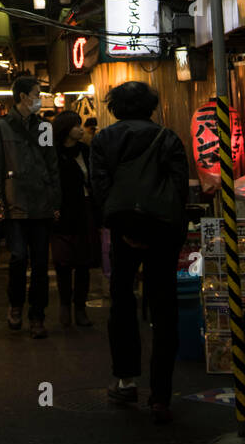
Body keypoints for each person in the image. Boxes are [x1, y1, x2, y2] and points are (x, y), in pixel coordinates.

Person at [89, 81, 190, 425]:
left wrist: (123, 231)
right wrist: (165, 233)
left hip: (123, 233)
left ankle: (126, 380)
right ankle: (161, 396)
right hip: (163, 235)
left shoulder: (103, 139)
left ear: (115, 107)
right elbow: (179, 192)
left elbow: (100, 190)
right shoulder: (169, 138)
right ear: (152, 106)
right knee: (165, 309)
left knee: (122, 303)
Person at [0, 74, 61, 338]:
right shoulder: (1, 128)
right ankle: (15, 305)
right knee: (18, 258)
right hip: (14, 203)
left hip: (41, 204)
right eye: (37, 94)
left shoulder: (44, 128)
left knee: (41, 263)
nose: (40, 99)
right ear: (23, 97)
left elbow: (53, 168)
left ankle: (37, 315)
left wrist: (55, 202)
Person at [50, 111, 101, 328]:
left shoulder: (86, 151)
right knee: (63, 262)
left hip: (85, 210)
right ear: (65, 130)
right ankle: (64, 306)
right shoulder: (53, 154)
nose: (81, 129)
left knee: (83, 261)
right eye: (76, 126)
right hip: (62, 212)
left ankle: (80, 308)